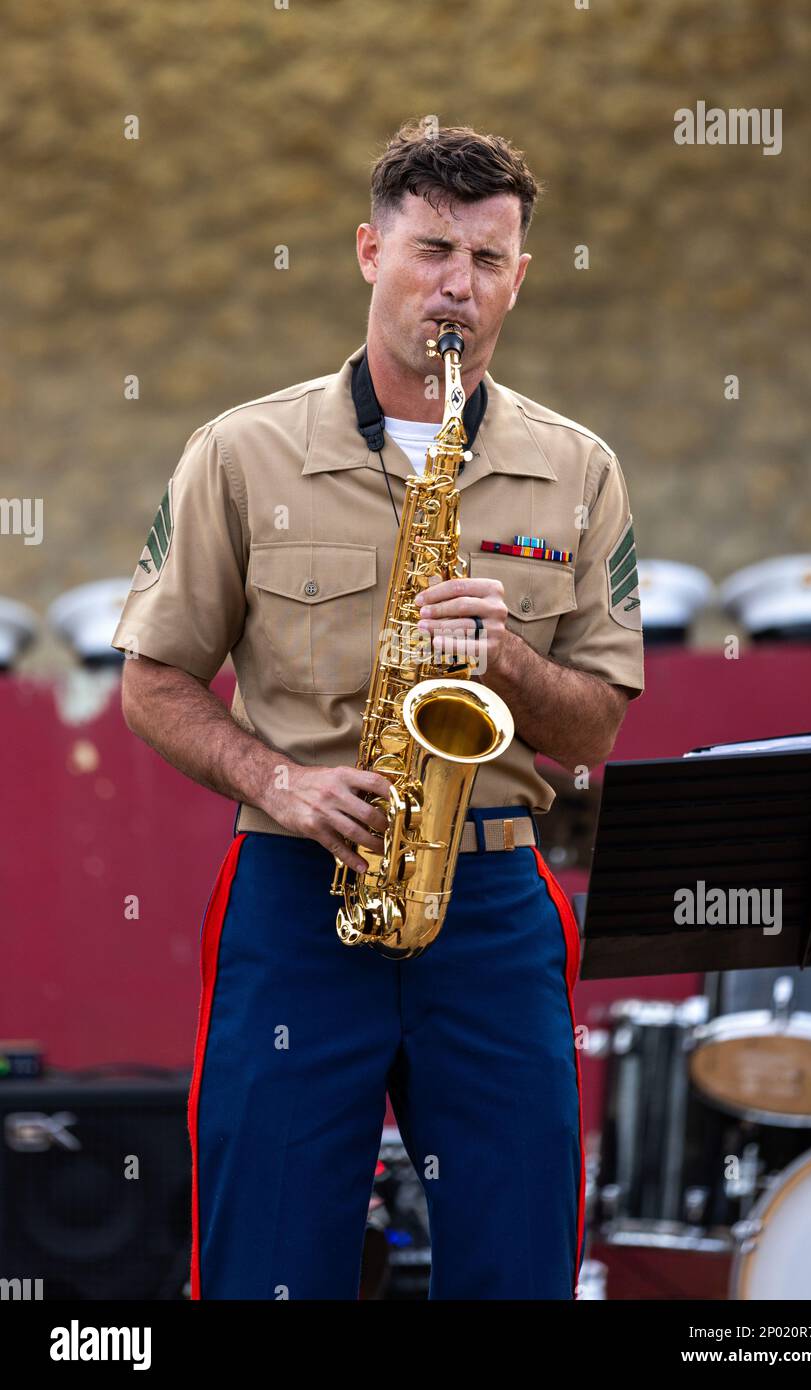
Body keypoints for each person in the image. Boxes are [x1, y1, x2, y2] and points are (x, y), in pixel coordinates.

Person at [112, 119, 645, 1300]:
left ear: (520, 274)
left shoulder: (580, 469)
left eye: (488, 260)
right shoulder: (241, 453)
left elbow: (596, 727)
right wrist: (279, 782)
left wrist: (502, 654)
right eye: (430, 250)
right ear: (367, 251)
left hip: (493, 900)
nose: (456, 286)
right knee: (263, 1264)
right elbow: (151, 683)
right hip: (299, 892)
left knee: (517, 1267)